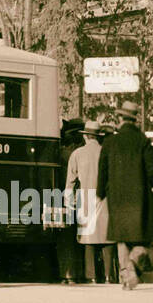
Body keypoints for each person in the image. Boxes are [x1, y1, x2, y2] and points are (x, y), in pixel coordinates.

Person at [97, 100, 153, 290]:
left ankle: (126, 275)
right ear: (134, 120)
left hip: (117, 198)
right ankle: (133, 262)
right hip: (139, 198)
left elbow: (103, 171)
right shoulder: (143, 141)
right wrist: (143, 186)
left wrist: (101, 193)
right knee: (141, 239)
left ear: (120, 118)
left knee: (121, 238)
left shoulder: (110, 142)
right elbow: (152, 173)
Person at [68, 120, 116, 284]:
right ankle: (110, 275)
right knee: (106, 237)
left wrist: (69, 202)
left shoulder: (77, 154)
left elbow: (71, 182)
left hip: (85, 198)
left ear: (86, 136)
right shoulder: (107, 152)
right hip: (104, 198)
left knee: (88, 238)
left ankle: (92, 275)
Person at [56, 118, 86, 284]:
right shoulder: (79, 152)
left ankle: (68, 274)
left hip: (66, 199)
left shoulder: (66, 154)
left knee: (66, 239)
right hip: (82, 200)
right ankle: (79, 273)